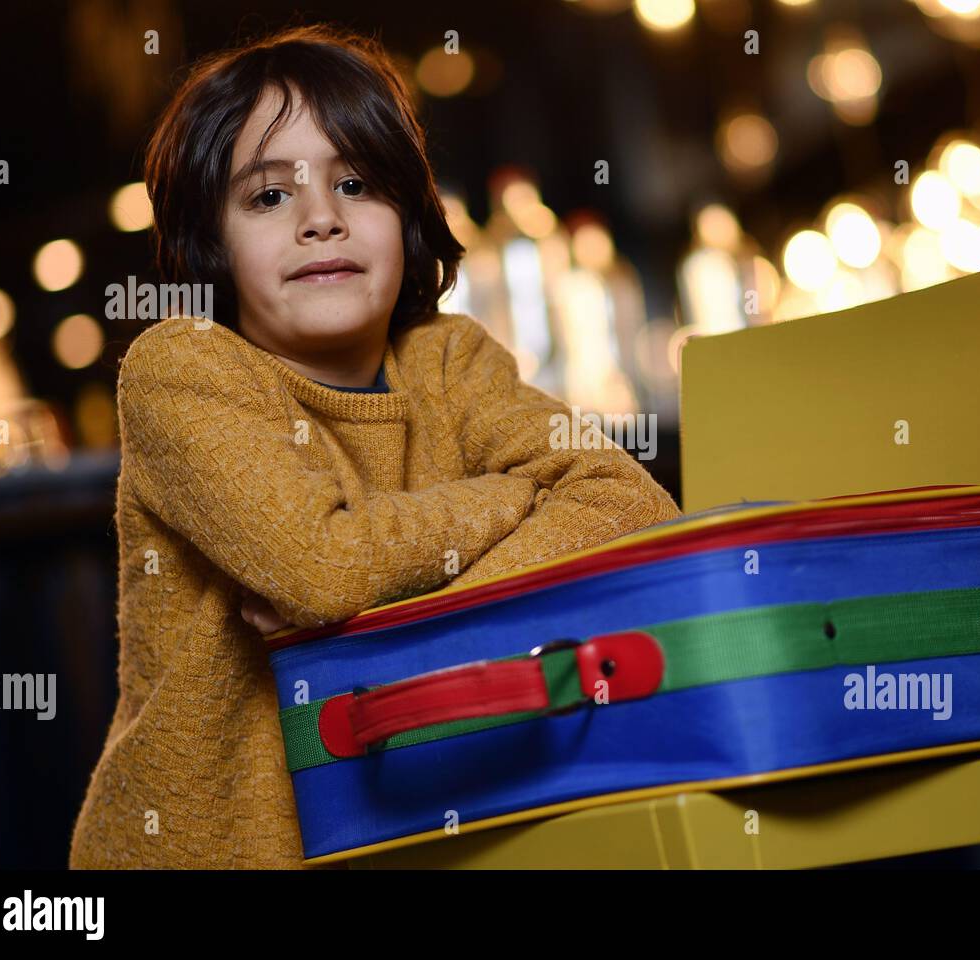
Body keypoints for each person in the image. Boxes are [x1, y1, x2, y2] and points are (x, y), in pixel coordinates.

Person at [68, 22, 680, 869]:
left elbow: (632, 503)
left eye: (356, 183)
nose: (321, 219)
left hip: (410, 830)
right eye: (269, 196)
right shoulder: (181, 371)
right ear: (214, 241)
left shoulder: (449, 359)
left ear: (408, 211)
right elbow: (320, 565)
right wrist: (517, 498)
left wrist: (376, 591)